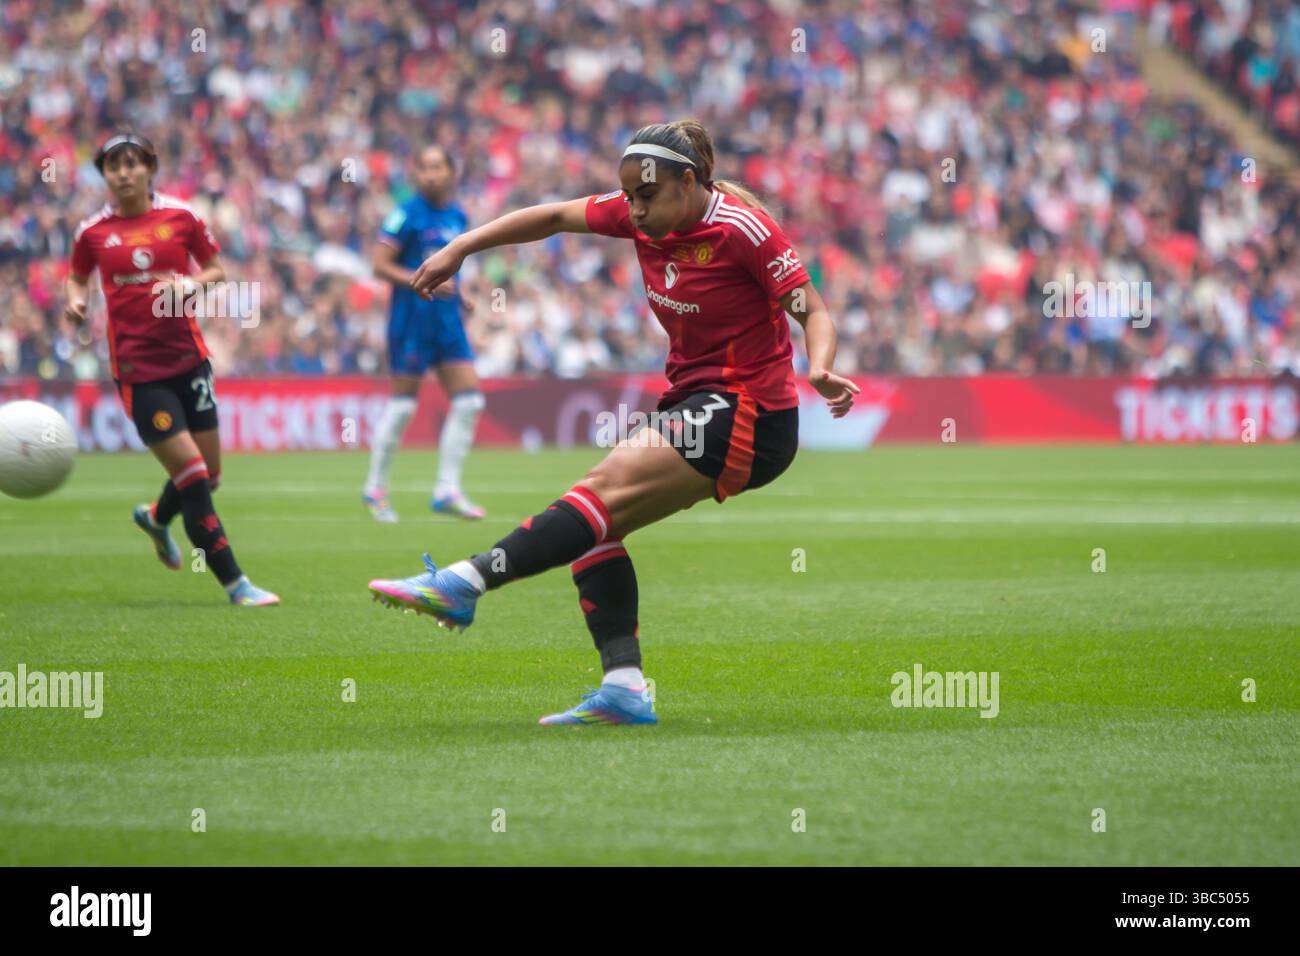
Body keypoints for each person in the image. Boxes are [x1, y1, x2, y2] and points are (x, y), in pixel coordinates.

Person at [367, 120, 858, 724]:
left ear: (687, 181)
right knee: (593, 527)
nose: (634, 210)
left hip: (753, 410)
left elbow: (814, 311)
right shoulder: (639, 211)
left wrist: (823, 368)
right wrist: (461, 247)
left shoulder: (742, 229)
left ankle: (464, 583)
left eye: (646, 197)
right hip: (697, 399)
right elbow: (549, 218)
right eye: (628, 197)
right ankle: (624, 686)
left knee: (600, 488)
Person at [64, 132, 278, 606]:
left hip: (190, 362)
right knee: (196, 479)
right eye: (112, 166)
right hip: (141, 375)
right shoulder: (92, 232)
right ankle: (236, 584)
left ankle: (157, 518)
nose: (122, 173)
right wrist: (76, 303)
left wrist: (190, 284)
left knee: (212, 474)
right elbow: (76, 279)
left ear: (149, 168)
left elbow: (217, 270)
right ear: (104, 175)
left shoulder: (182, 218)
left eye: (131, 164)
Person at [363, 145, 485, 523]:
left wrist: (461, 294)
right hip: (411, 323)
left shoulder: (457, 214)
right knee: (402, 407)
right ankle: (375, 489)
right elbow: (379, 267)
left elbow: (451, 266)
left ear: (452, 172)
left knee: (469, 402)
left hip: (447, 323)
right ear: (416, 175)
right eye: (425, 167)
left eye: (438, 166)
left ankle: (446, 490)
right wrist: (421, 279)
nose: (432, 174)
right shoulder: (405, 215)